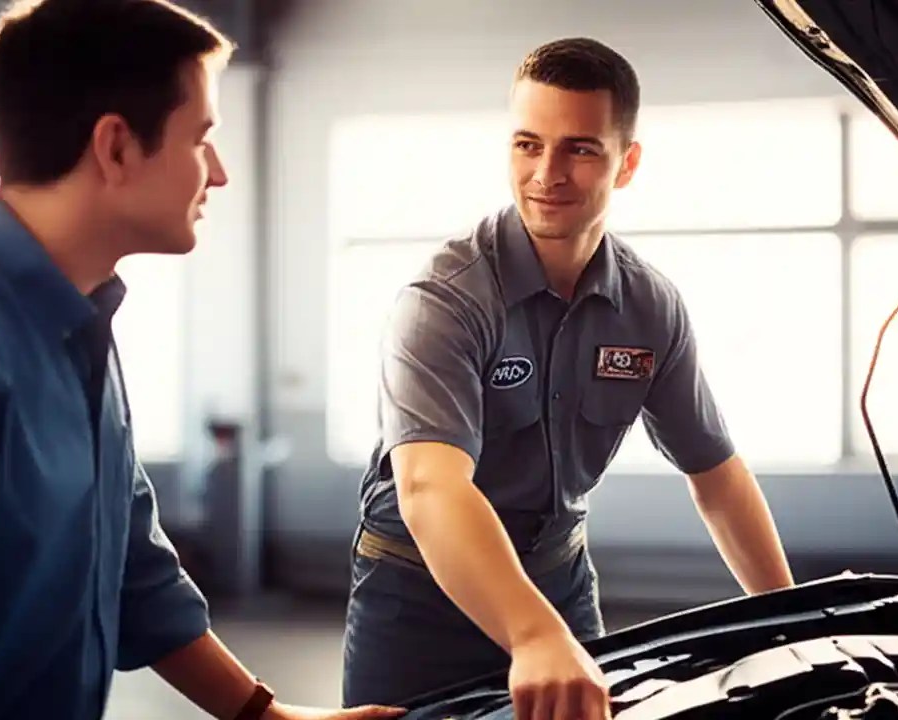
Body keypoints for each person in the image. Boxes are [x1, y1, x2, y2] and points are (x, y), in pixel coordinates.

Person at [0, 2, 404, 719]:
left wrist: (264, 716)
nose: (220, 173)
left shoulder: (80, 327)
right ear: (115, 147)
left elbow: (132, 571)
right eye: (202, 138)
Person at [341, 37, 796, 717]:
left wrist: (795, 622)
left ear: (627, 163)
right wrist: (533, 635)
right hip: (419, 601)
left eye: (579, 149)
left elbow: (718, 478)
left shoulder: (650, 307)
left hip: (559, 584)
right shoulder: (444, 301)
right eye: (527, 145)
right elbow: (431, 487)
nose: (546, 174)